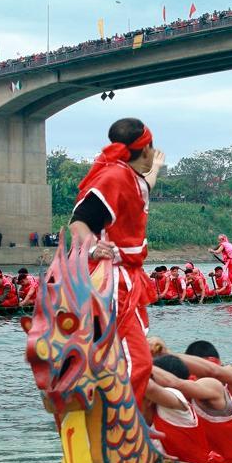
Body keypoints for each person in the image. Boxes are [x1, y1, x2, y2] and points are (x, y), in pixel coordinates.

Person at [69, 117, 165, 407]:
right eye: (152, 149)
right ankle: (118, 426)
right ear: (146, 148)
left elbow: (143, 186)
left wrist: (157, 169)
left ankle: (124, 420)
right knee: (137, 362)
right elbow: (78, 224)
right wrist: (95, 248)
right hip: (112, 280)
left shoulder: (131, 177)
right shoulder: (114, 177)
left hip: (129, 278)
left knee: (132, 358)